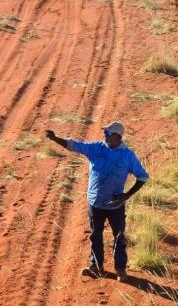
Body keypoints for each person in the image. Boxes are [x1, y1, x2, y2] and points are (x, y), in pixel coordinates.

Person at [45, 121, 149, 282]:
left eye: (108, 133)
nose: (104, 135)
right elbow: (73, 145)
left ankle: (120, 269)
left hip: (115, 206)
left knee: (119, 236)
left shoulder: (127, 155)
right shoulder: (96, 148)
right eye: (105, 132)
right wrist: (55, 138)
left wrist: (127, 195)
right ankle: (95, 267)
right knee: (95, 235)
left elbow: (142, 177)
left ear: (118, 136)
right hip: (95, 202)